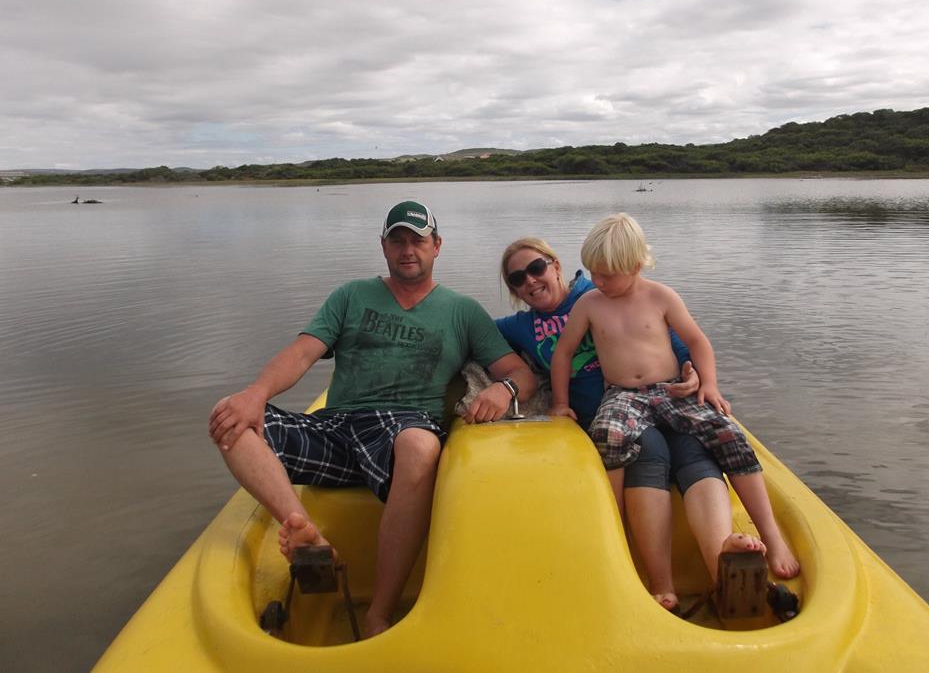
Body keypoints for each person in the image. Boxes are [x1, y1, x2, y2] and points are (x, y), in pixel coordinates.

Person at [208, 201, 536, 637]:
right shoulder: (351, 296)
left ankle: (380, 612)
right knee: (229, 417)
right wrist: (255, 395)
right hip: (337, 427)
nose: (407, 250)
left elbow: (521, 373)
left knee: (421, 445)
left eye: (417, 241)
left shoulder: (462, 311)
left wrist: (503, 388)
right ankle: (303, 529)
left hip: (401, 427)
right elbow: (303, 352)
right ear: (383, 246)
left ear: (437, 246)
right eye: (397, 240)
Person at [497, 238, 770, 611]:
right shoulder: (520, 326)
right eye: (517, 278)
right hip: (617, 415)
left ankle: (723, 562)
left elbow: (672, 338)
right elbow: (474, 331)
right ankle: (659, 579)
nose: (529, 281)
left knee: (694, 451)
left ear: (556, 265)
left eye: (536, 268)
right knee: (650, 451)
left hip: (664, 396)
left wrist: (695, 374)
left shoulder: (604, 289)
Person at [550, 214, 800, 589]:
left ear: (635, 266)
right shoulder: (589, 304)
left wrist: (710, 384)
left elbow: (698, 341)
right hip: (622, 394)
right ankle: (613, 532)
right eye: (593, 272)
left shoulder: (661, 297)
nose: (598, 281)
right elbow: (563, 353)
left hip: (670, 388)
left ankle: (773, 535)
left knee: (727, 431)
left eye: (607, 274)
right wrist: (559, 403)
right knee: (607, 432)